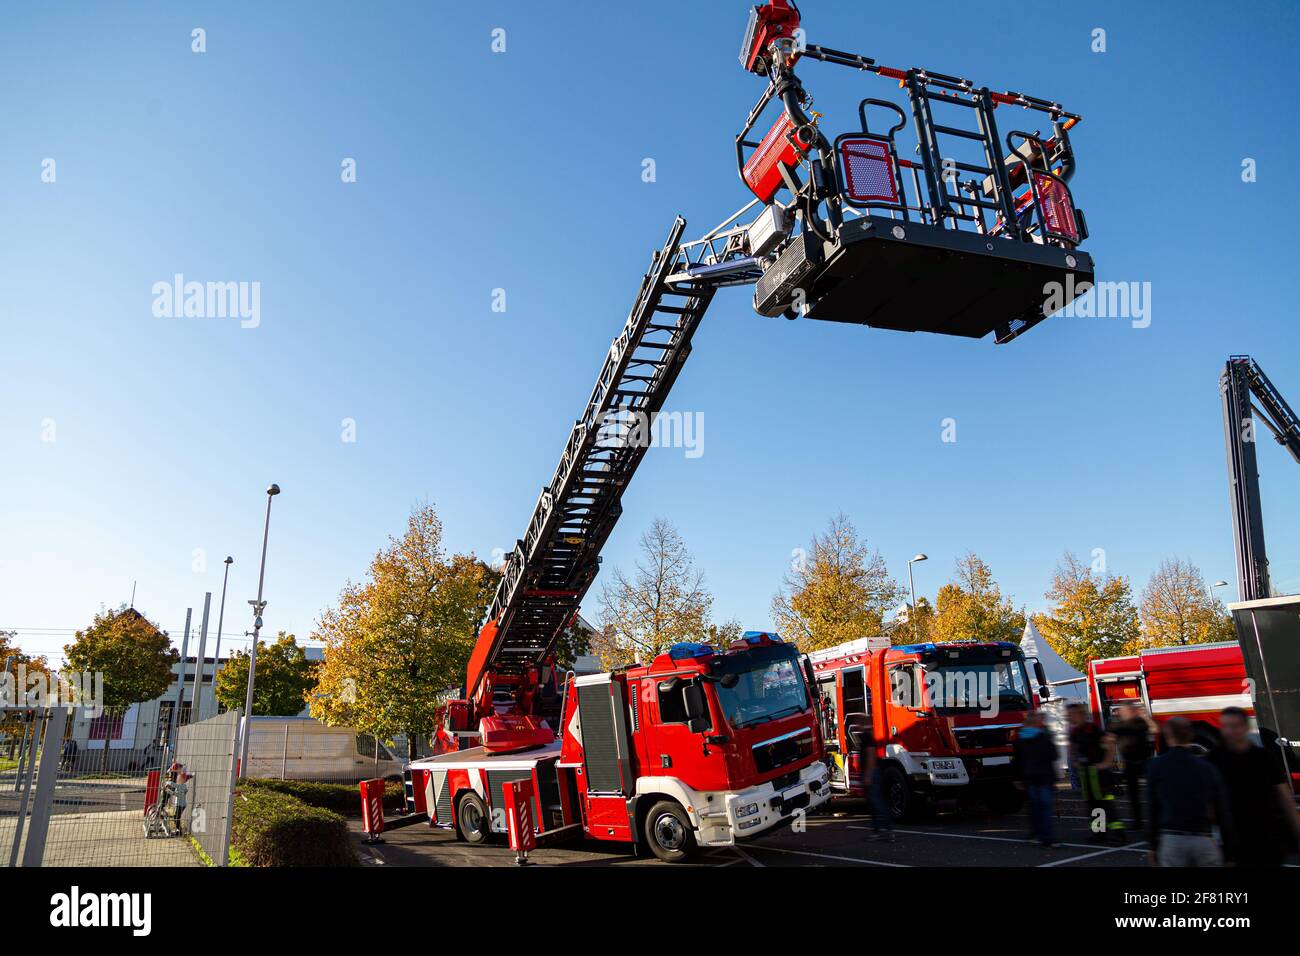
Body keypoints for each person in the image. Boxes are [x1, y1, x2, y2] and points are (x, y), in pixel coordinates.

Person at [1208, 706, 1300, 867]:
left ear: (1245, 728)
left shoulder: (1264, 758)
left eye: (1234, 726)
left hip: (1267, 840)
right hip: (1235, 843)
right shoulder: (1215, 758)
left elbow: (1285, 797)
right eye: (1225, 726)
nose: (1229, 731)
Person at [1146, 717, 1231, 866]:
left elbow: (1153, 809)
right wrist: (1230, 852)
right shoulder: (1207, 768)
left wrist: (1153, 846)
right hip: (1203, 839)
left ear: (1167, 736)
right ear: (1191, 736)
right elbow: (1222, 811)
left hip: (1172, 839)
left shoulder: (1155, 766)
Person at [1066, 702, 1125, 843]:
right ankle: (1099, 834)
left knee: (1106, 805)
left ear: (1080, 714)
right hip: (1087, 775)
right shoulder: (1075, 731)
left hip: (1100, 775)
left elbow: (1110, 741)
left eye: (1071, 714)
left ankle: (1118, 835)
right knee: (1092, 805)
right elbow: (1072, 748)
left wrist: (1106, 762)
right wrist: (1075, 760)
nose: (1069, 717)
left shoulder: (1091, 729)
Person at [1011, 710, 1059, 846]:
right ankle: (1047, 837)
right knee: (1045, 808)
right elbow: (1053, 755)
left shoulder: (1020, 738)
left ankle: (1035, 833)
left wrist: (1017, 778)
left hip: (1029, 776)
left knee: (1035, 807)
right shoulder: (1043, 736)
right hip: (1043, 776)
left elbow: (1017, 760)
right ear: (1037, 722)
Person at [846, 713, 893, 842]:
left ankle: (887, 830)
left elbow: (871, 755)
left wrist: (867, 775)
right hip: (870, 772)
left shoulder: (867, 737)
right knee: (873, 803)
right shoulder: (867, 736)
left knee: (876, 802)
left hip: (871, 773)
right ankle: (878, 832)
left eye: (858, 723)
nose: (857, 726)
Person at [1109, 703, 1155, 829]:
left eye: (1126, 710)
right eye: (1123, 711)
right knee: (1133, 795)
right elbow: (1110, 740)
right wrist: (1110, 759)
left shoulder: (1140, 722)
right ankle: (1137, 822)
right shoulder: (1119, 725)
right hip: (1129, 762)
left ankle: (1156, 821)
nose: (1124, 713)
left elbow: (1156, 729)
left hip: (1145, 761)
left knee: (1153, 792)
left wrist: (1145, 716)